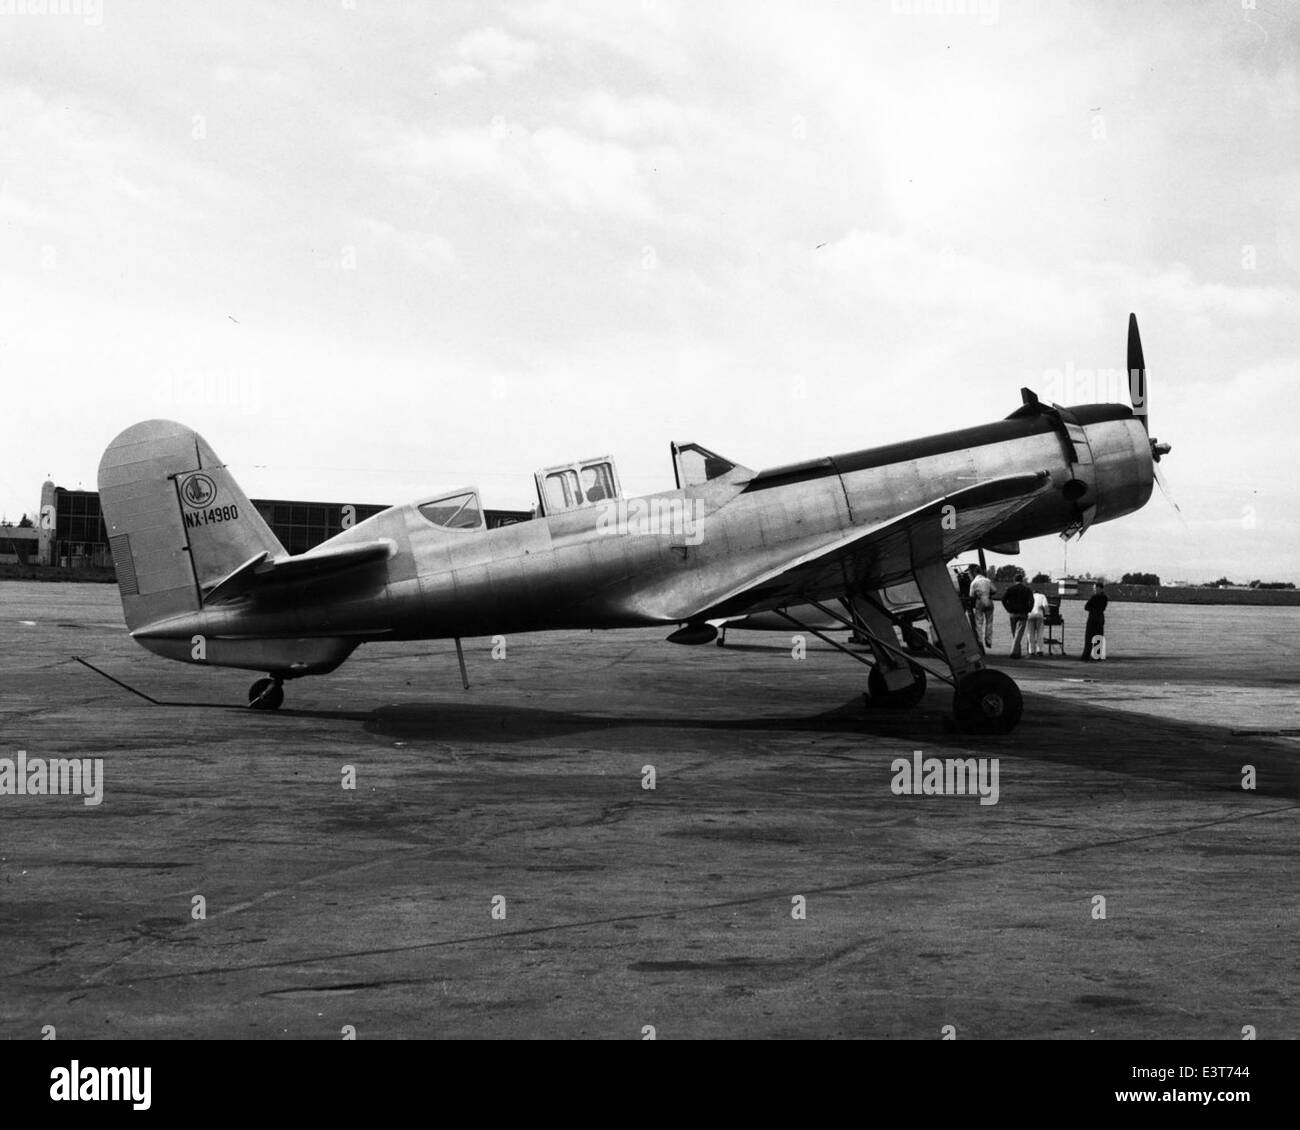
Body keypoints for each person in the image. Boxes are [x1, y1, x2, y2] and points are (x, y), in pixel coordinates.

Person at [1001, 570, 1034, 658]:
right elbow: (1032, 601)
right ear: (1022, 580)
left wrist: (1008, 609)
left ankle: (1016, 653)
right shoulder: (1027, 589)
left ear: (1014, 580)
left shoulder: (1010, 589)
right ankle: (1014, 652)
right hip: (1023, 613)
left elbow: (1003, 600)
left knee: (1014, 634)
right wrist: (1029, 610)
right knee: (1019, 634)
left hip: (1012, 614)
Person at [968, 566, 995, 651]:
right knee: (989, 622)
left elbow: (971, 595)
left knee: (979, 623)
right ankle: (988, 640)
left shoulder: (974, 582)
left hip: (980, 602)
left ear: (975, 573)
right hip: (989, 601)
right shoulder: (988, 580)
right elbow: (995, 590)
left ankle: (980, 641)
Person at [1080, 581, 1109, 661]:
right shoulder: (1105, 598)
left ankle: (1086, 656)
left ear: (1099, 588)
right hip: (1100, 618)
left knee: (1089, 637)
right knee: (1098, 637)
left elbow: (1086, 607)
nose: (1094, 590)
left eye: (1095, 588)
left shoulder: (1094, 597)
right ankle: (1097, 656)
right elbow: (1103, 608)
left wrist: (1092, 608)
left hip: (1092, 618)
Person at [1026, 588, 1050, 656]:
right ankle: (1039, 651)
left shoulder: (1029, 596)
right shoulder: (1042, 596)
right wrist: (1048, 614)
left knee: (1030, 634)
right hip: (1039, 615)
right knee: (1040, 633)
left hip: (1030, 615)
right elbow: (1045, 606)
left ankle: (1031, 651)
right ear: (1038, 592)